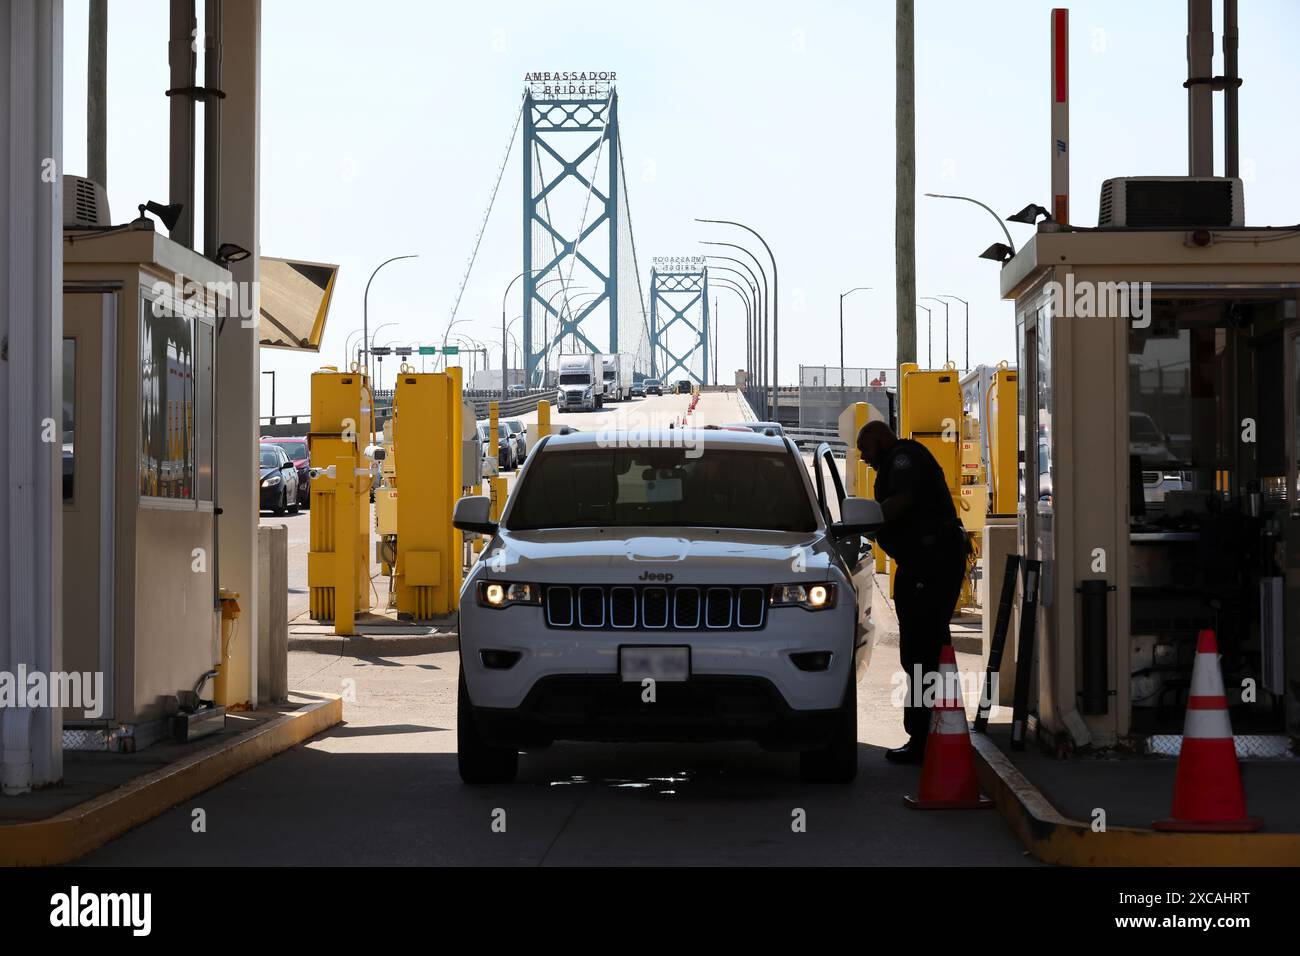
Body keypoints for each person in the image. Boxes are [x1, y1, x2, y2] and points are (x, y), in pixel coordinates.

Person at [857, 420, 971, 764]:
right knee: (929, 648)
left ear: (880, 439)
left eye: (866, 449)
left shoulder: (903, 459)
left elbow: (903, 501)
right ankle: (935, 732)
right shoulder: (900, 458)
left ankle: (923, 739)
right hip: (926, 564)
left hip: (931, 565)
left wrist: (868, 518)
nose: (864, 458)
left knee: (922, 650)